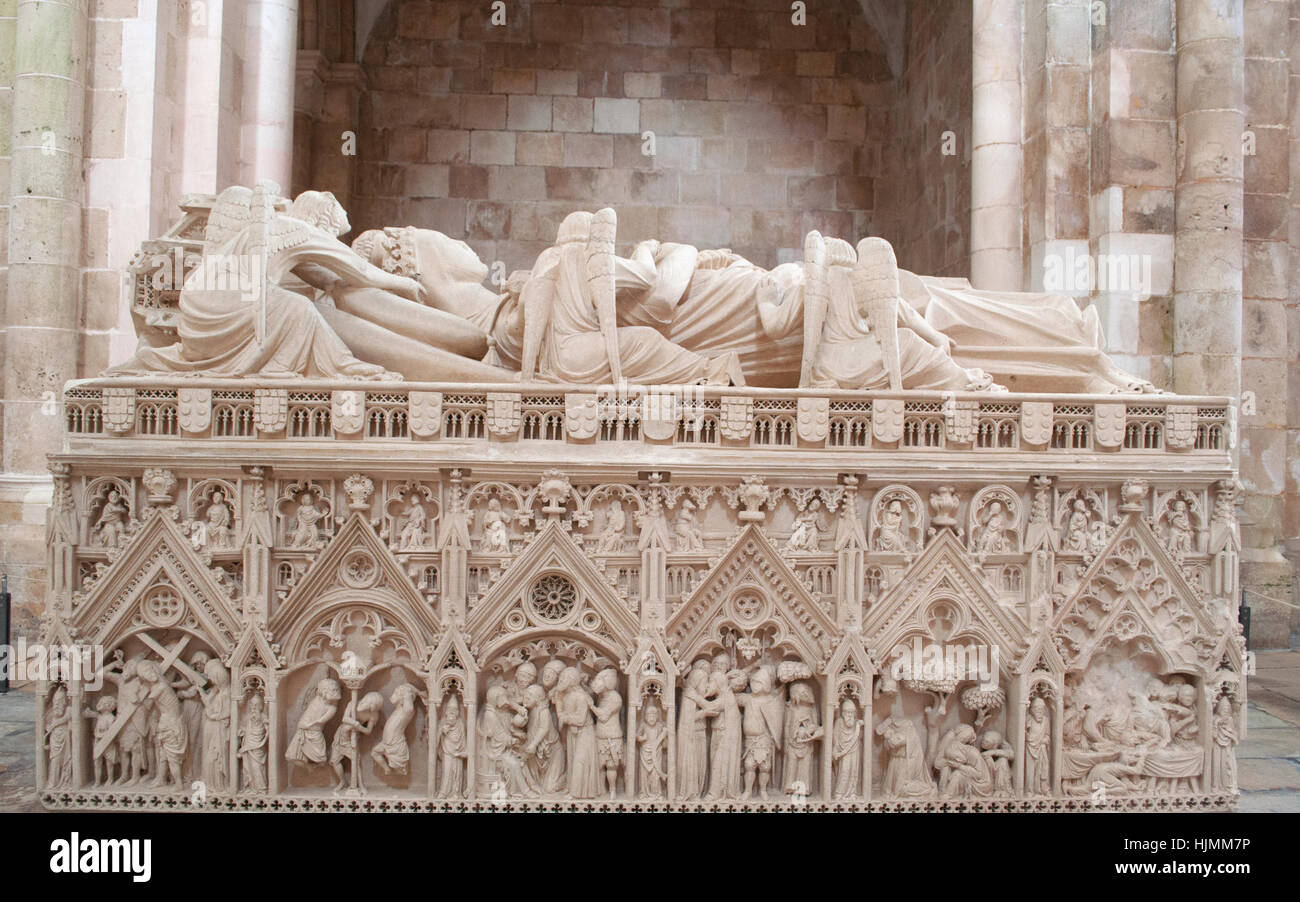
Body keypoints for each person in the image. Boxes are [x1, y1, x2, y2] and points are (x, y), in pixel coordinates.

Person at [436, 695, 469, 799]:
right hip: (447, 751)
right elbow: (436, 738)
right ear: (446, 711)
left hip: (457, 752)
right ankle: (443, 792)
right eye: (450, 709)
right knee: (447, 771)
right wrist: (441, 731)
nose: (452, 712)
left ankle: (456, 792)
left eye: (454, 710)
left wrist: (461, 751)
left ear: (458, 712)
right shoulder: (443, 722)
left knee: (457, 773)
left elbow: (463, 740)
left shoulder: (460, 724)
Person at [831, 698, 862, 799]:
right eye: (848, 712)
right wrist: (836, 748)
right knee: (844, 771)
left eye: (852, 712)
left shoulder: (856, 723)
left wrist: (859, 725)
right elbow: (835, 737)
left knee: (853, 771)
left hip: (854, 750)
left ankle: (852, 792)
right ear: (843, 713)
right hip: (842, 751)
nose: (850, 715)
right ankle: (839, 793)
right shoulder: (839, 722)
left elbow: (859, 735)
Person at [238, 693, 269, 792]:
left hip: (258, 745)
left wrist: (265, 737)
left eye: (256, 705)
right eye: (252, 704)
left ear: (261, 706)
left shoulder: (263, 716)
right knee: (247, 766)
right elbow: (245, 727)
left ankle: (261, 788)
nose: (254, 707)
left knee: (257, 767)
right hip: (248, 743)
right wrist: (242, 731)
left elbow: (268, 728)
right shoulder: (249, 716)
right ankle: (250, 787)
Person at [637, 703, 668, 800]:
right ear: (645, 717)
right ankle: (644, 793)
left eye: (654, 716)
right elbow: (637, 736)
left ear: (657, 717)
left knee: (655, 774)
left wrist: (664, 736)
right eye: (649, 716)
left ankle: (657, 793)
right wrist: (642, 738)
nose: (651, 718)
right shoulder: (643, 725)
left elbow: (665, 742)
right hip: (645, 753)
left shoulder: (659, 726)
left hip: (656, 753)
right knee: (644, 774)